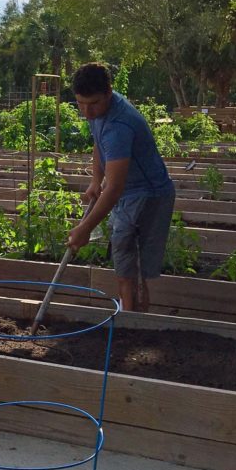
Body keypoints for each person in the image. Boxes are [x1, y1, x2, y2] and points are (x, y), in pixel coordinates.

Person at [66, 63, 175, 313]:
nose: (86, 112)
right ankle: (128, 316)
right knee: (124, 262)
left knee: (134, 267)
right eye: (80, 104)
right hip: (129, 192)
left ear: (108, 92)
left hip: (148, 196)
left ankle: (135, 321)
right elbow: (98, 142)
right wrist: (96, 179)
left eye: (92, 103)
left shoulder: (119, 125)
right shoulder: (101, 111)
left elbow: (114, 188)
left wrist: (85, 228)